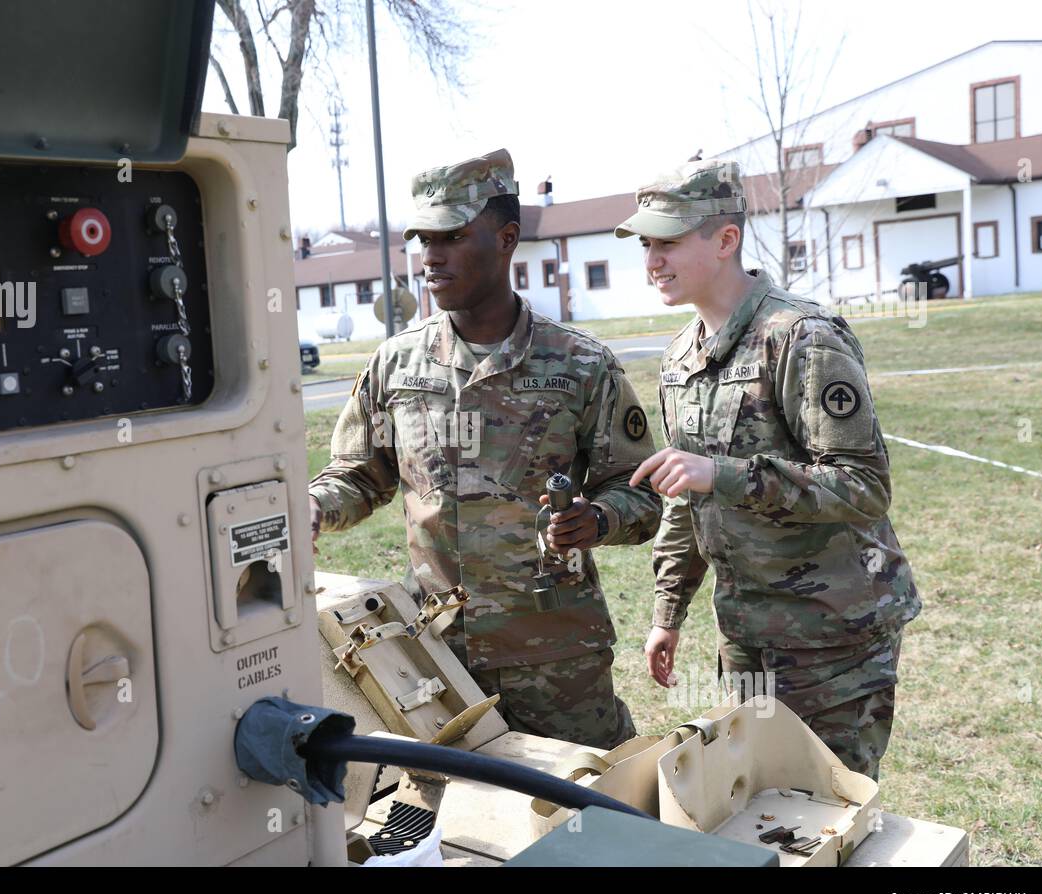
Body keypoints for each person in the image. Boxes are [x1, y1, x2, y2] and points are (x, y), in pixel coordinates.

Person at [309, 149, 663, 748]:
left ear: (505, 239)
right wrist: (315, 507)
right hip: (434, 660)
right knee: (455, 819)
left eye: (451, 236)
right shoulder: (397, 363)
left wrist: (595, 519)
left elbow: (641, 495)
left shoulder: (580, 365)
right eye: (424, 239)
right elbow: (360, 475)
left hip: (556, 659)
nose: (431, 256)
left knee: (594, 814)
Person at [616, 159, 921, 780]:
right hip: (749, 635)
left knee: (828, 809)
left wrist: (722, 474)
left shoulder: (802, 337)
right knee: (761, 804)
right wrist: (666, 614)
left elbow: (864, 487)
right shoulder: (680, 357)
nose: (652, 261)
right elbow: (685, 496)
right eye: (647, 244)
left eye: (668, 241)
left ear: (726, 240)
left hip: (835, 638)